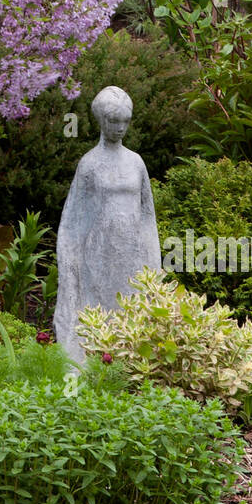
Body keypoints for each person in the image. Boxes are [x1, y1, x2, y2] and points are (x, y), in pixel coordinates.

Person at [53, 85, 162, 361]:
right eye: (114, 121)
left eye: (125, 122)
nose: (120, 128)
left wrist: (153, 256)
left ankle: (131, 365)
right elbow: (73, 219)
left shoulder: (136, 163)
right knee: (99, 310)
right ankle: (93, 364)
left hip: (132, 253)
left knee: (131, 310)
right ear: (101, 121)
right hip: (99, 254)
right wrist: (70, 262)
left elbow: (148, 215)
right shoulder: (89, 165)